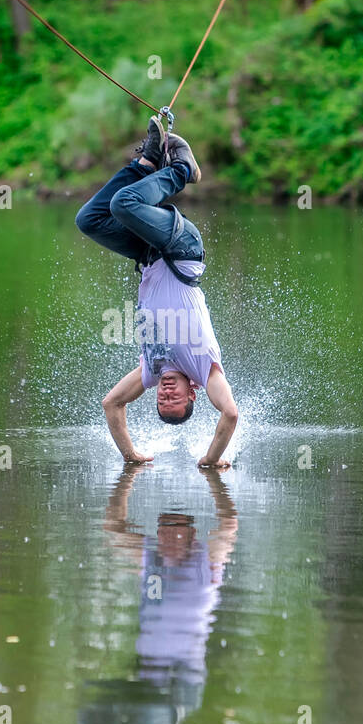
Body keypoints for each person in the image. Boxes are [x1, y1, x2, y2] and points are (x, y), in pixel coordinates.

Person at [75, 117, 238, 468]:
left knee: (90, 221)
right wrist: (211, 459)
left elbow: (112, 404)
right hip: (182, 249)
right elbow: (230, 414)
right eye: (175, 398)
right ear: (192, 392)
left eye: (162, 401)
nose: (165, 393)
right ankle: (182, 170)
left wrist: (130, 455)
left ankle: (148, 162)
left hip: (150, 255)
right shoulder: (202, 368)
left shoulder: (151, 371)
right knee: (124, 205)